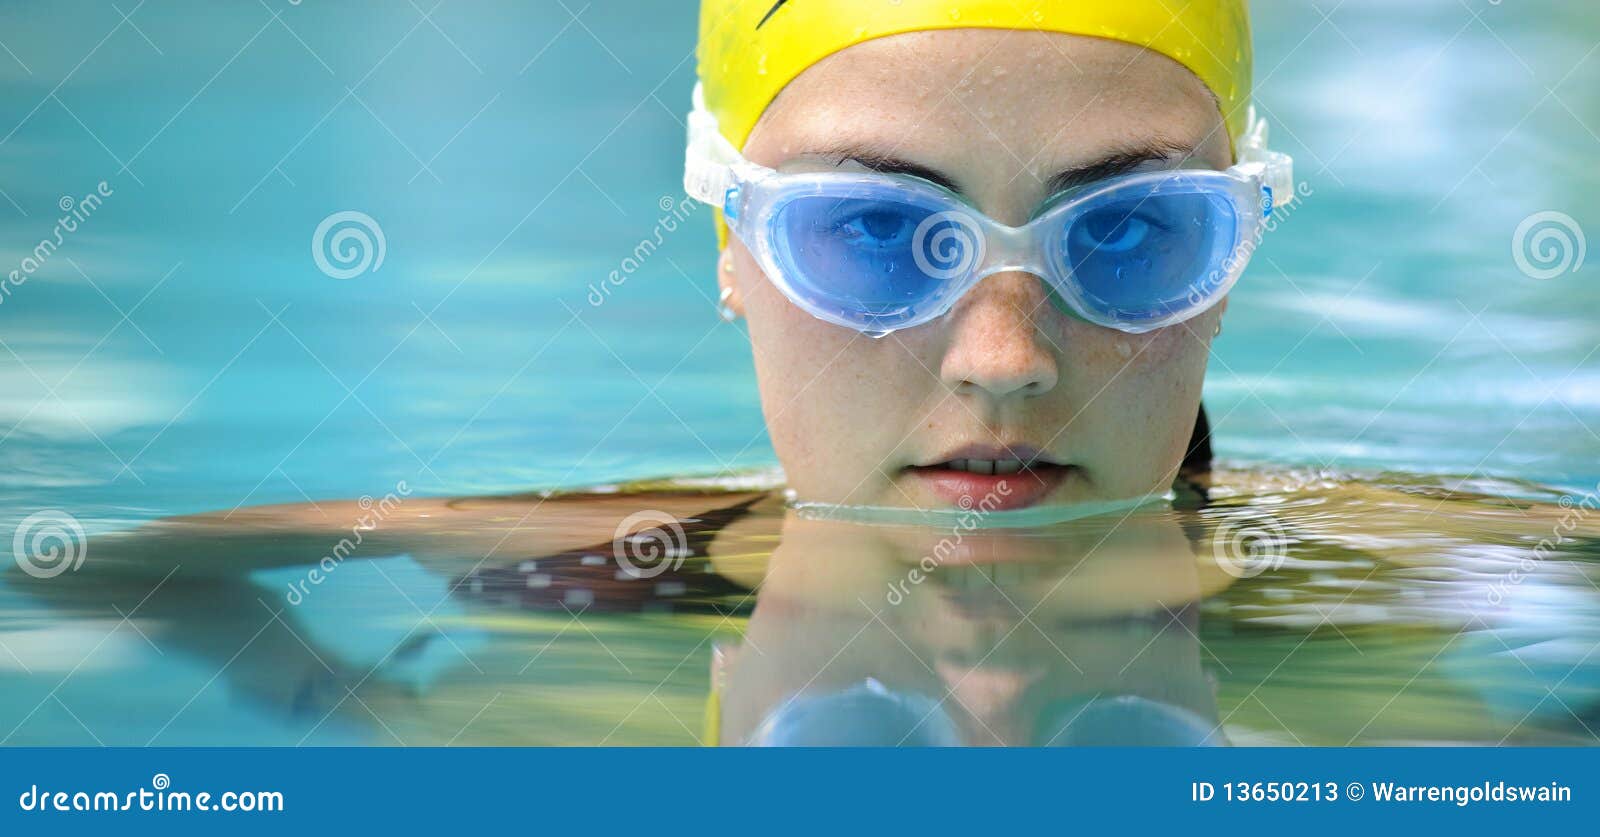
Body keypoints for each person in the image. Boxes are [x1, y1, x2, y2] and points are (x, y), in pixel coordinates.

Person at [686, 0, 1290, 511]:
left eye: (1118, 228)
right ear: (734, 249)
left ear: (1226, 259)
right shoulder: (598, 605)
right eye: (879, 225)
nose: (1004, 362)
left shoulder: (1372, 610)